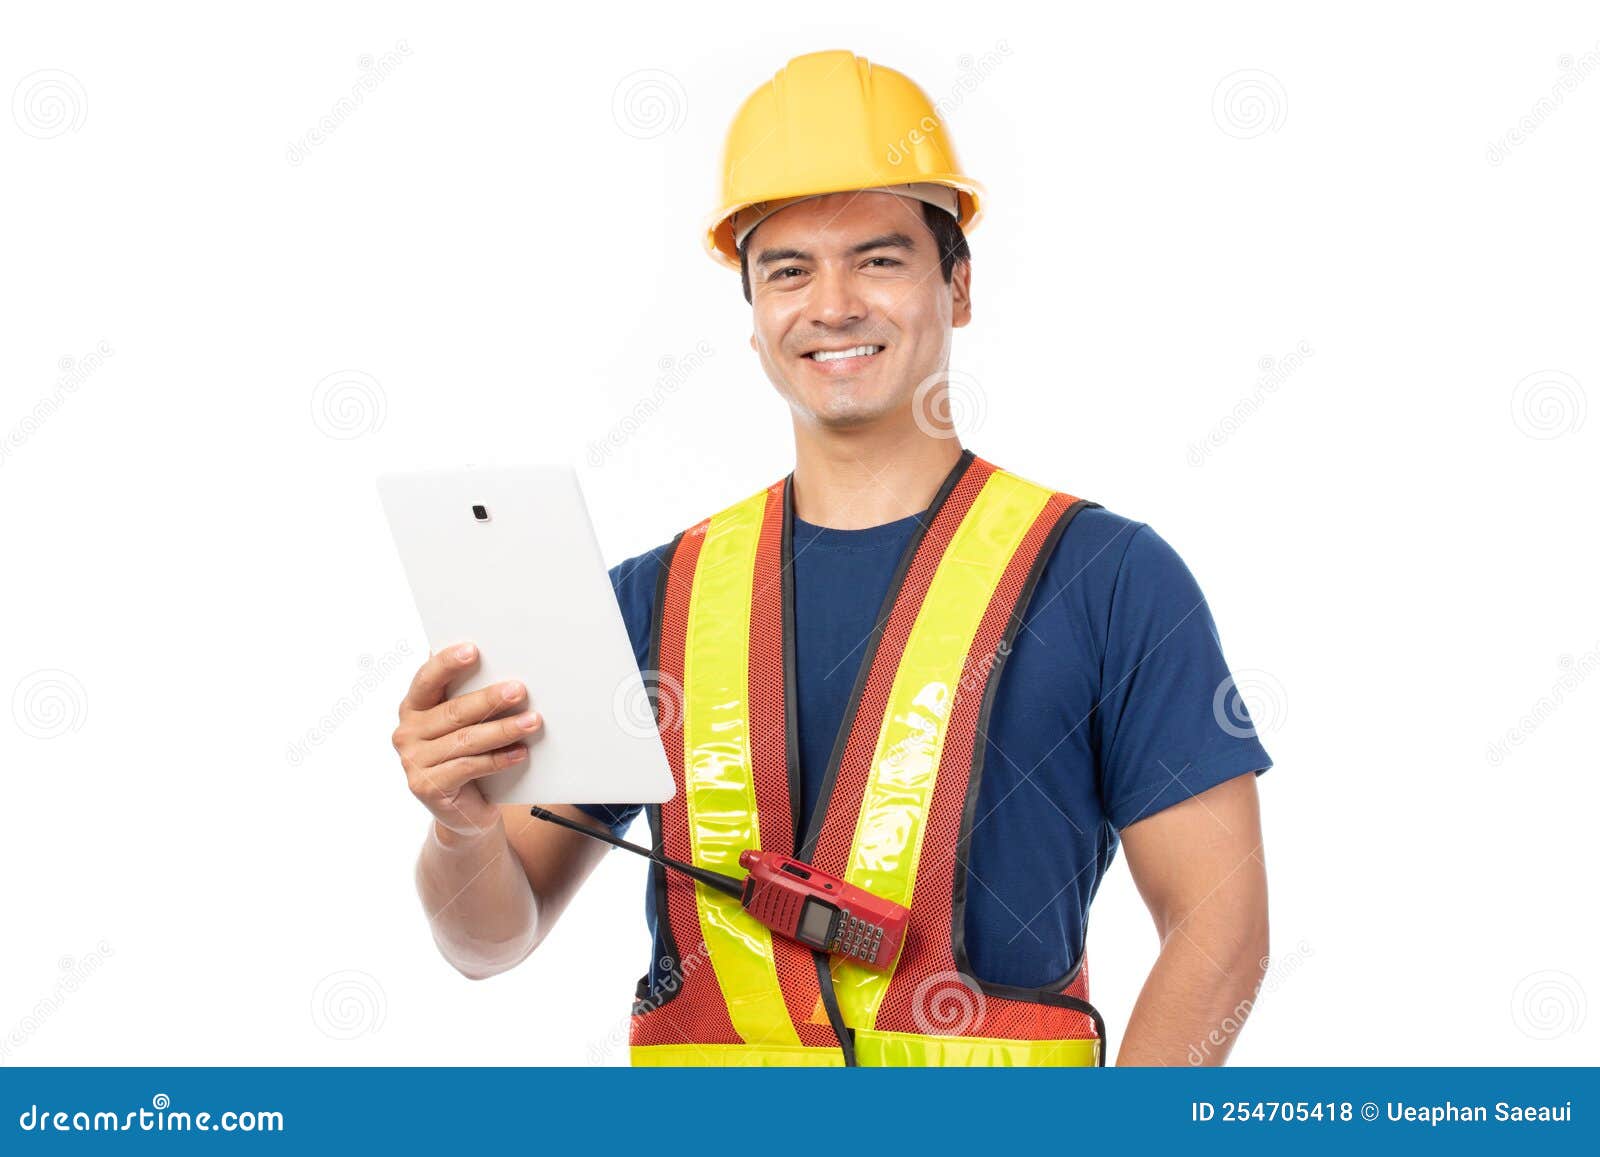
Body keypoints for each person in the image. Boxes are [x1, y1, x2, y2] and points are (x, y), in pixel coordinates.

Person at [393, 50, 1271, 1066]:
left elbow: (1221, 930)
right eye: (789, 270)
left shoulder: (1107, 579)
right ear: (753, 313)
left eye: (879, 259)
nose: (834, 304)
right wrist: (460, 824)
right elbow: (488, 941)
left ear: (959, 284)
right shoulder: (650, 599)